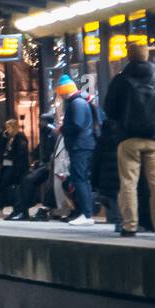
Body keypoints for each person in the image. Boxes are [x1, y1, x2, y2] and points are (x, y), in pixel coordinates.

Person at [103, 43, 155, 238]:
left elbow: (109, 108)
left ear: (129, 56)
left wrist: (121, 125)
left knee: (128, 183)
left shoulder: (120, 80)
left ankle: (130, 225)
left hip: (128, 139)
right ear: (146, 56)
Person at [55, 76, 97, 226]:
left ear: (64, 90)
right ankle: (85, 213)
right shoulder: (80, 102)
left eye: (60, 91)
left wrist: (62, 129)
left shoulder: (76, 104)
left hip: (80, 146)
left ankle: (86, 214)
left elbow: (77, 125)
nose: (59, 95)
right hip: (82, 145)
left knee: (80, 179)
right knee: (81, 179)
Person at [0, 119, 30, 214]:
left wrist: (17, 166)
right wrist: (4, 138)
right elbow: (1, 149)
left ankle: (13, 207)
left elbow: (20, 153)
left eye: (8, 127)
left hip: (15, 167)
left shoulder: (19, 137)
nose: (7, 130)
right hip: (7, 165)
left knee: (10, 186)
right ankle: (3, 206)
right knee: (4, 185)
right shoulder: (9, 138)